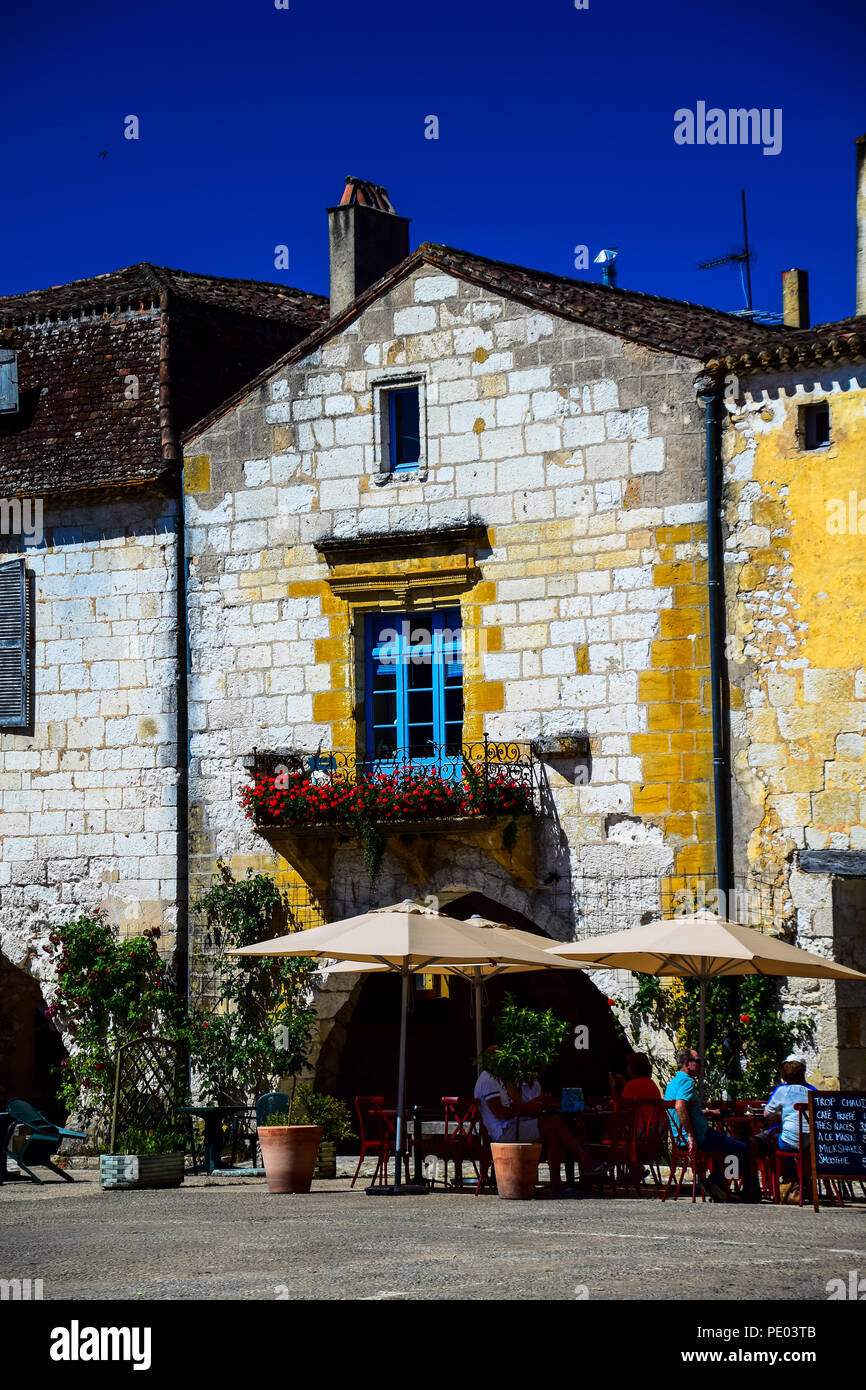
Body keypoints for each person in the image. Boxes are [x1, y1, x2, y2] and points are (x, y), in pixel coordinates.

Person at [474, 1059, 610, 1197]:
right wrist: (527, 1107)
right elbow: (501, 1113)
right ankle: (586, 1161)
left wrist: (528, 1105)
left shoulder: (497, 1079)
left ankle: (557, 1185)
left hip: (511, 1124)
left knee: (553, 1133)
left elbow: (509, 1108)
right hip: (504, 1131)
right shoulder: (489, 1081)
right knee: (556, 1121)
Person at [664, 1047, 761, 1202]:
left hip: (678, 1139)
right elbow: (680, 1106)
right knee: (740, 1148)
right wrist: (690, 1136)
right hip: (698, 1136)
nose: (702, 1064)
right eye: (699, 1061)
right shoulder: (687, 1081)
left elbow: (685, 1109)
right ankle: (720, 1184)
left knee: (723, 1148)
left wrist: (707, 1112)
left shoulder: (673, 1083)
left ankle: (718, 1182)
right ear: (688, 1063)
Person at [763, 1058, 814, 1200]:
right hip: (812, 1144)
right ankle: (802, 1181)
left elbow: (767, 1113)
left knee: (776, 1140)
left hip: (790, 1143)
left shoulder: (782, 1091)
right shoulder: (812, 1091)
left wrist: (783, 1115)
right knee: (797, 1145)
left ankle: (787, 1181)